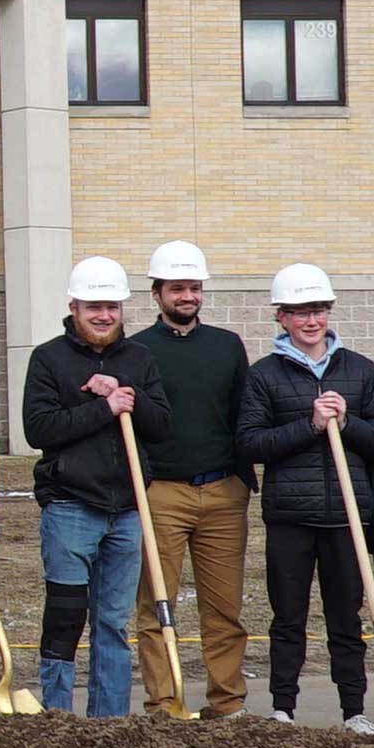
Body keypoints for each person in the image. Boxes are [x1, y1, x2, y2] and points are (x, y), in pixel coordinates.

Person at [237, 263, 374, 735]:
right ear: (281, 317)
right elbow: (249, 443)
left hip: (349, 519)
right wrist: (308, 425)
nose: (311, 321)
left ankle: (354, 711)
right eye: (300, 312)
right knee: (287, 617)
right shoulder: (265, 376)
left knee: (346, 620)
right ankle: (283, 709)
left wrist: (348, 423)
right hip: (291, 516)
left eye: (319, 310)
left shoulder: (360, 370)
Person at [22, 257, 173, 717]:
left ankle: (110, 720)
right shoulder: (48, 358)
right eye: (93, 307)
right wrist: (103, 409)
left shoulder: (139, 359)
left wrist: (127, 392)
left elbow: (161, 425)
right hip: (71, 505)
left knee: (111, 622)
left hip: (127, 509)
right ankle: (59, 715)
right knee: (66, 615)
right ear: (74, 306)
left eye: (111, 306)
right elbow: (39, 430)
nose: (104, 315)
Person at [129, 241, 256, 717]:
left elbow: (245, 414)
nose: (187, 296)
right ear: (157, 293)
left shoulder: (226, 346)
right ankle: (164, 701)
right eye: (177, 288)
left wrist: (242, 479)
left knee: (224, 607)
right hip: (161, 492)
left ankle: (227, 702)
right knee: (156, 605)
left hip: (224, 491)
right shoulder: (137, 349)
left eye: (195, 288)